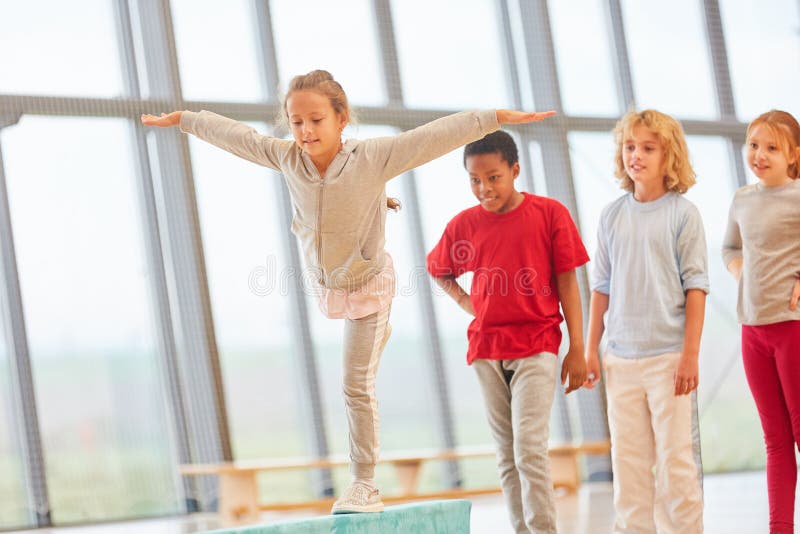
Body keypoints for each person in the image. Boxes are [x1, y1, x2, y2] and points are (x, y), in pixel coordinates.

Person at [141, 69, 555, 514]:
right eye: (296, 121)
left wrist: (491, 117)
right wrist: (185, 118)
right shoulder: (286, 158)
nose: (305, 131)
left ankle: (364, 484)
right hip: (327, 286)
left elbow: (433, 136)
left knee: (355, 383)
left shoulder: (373, 157)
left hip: (369, 288)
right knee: (354, 375)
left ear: (341, 119)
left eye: (316, 120)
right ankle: (376, 344)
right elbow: (235, 136)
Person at [426, 130, 587, 533]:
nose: (484, 188)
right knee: (506, 454)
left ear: (515, 170)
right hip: (485, 348)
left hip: (538, 343)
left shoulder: (550, 214)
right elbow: (438, 269)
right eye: (475, 180)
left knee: (529, 449)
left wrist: (578, 348)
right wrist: (469, 304)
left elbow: (568, 281)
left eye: (494, 177)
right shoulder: (464, 224)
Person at [583, 109, 708, 533]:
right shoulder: (611, 216)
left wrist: (689, 355)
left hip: (668, 361)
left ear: (667, 155)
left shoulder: (683, 214)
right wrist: (590, 352)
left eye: (648, 148)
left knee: (676, 466)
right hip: (620, 360)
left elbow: (696, 288)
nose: (637, 155)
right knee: (629, 465)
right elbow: (601, 287)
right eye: (630, 146)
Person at [722, 109, 800, 534]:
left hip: (793, 327)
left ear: (793, 156)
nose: (760, 154)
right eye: (754, 144)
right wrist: (740, 273)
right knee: (775, 440)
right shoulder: (741, 199)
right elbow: (729, 247)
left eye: (772, 147)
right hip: (752, 330)